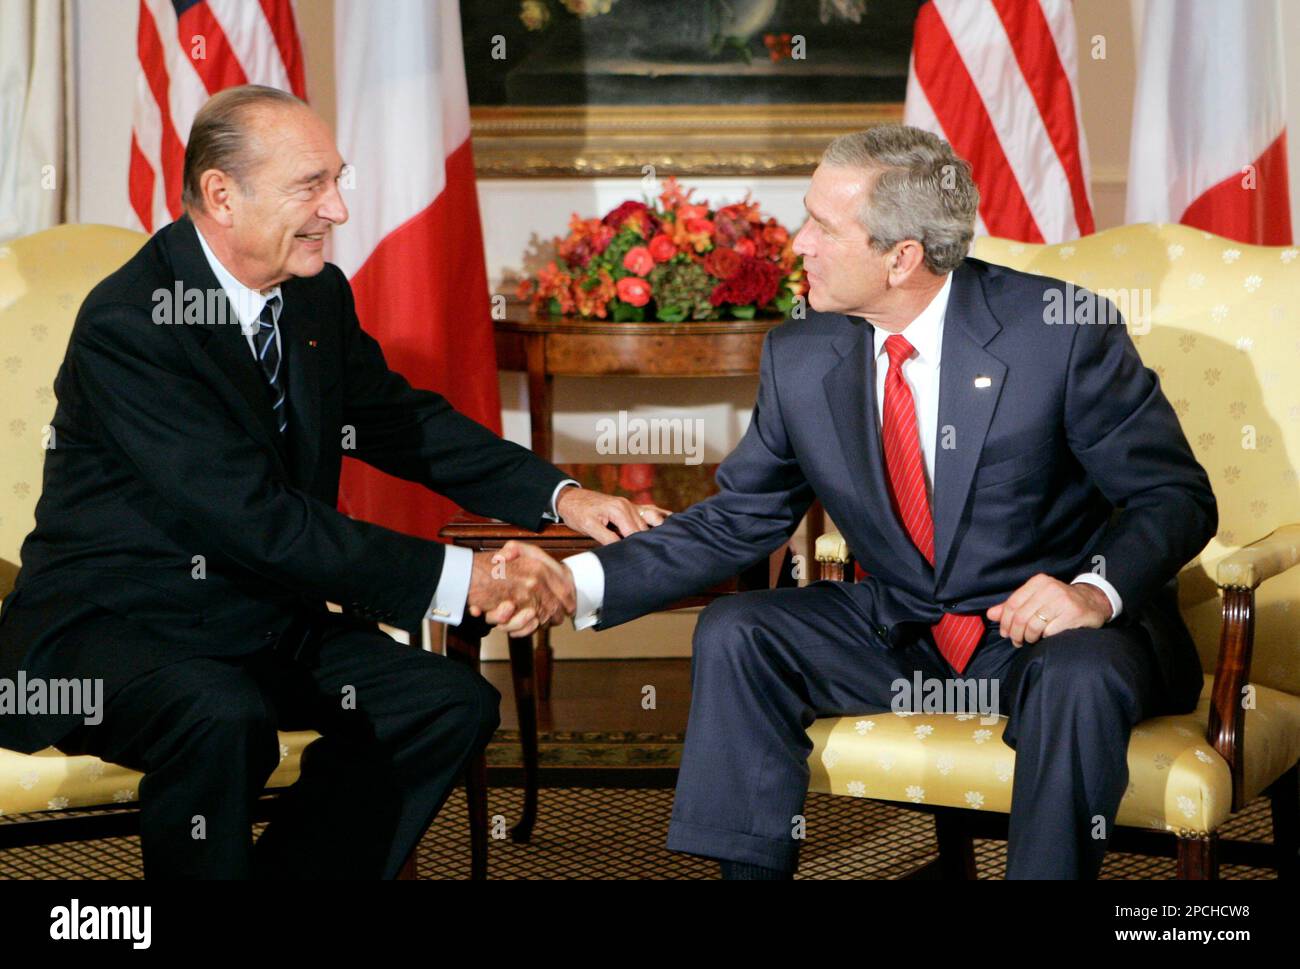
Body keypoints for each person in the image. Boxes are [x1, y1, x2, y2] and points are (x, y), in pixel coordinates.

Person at [0, 84, 667, 879]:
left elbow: (402, 421)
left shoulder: (314, 295)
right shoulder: (135, 325)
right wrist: (469, 579)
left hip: (259, 621)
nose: (338, 210)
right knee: (221, 713)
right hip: (110, 631)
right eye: (309, 186)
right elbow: (260, 522)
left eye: (337, 180)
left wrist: (561, 495)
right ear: (221, 193)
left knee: (447, 703)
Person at [554, 125, 1218, 879]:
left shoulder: (1060, 333)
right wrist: (573, 582)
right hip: (904, 626)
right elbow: (741, 516)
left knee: (1081, 676)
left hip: (1050, 637)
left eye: (823, 228)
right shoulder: (801, 352)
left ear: (902, 257)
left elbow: (1175, 496)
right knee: (739, 629)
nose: (796, 244)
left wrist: (1092, 591)